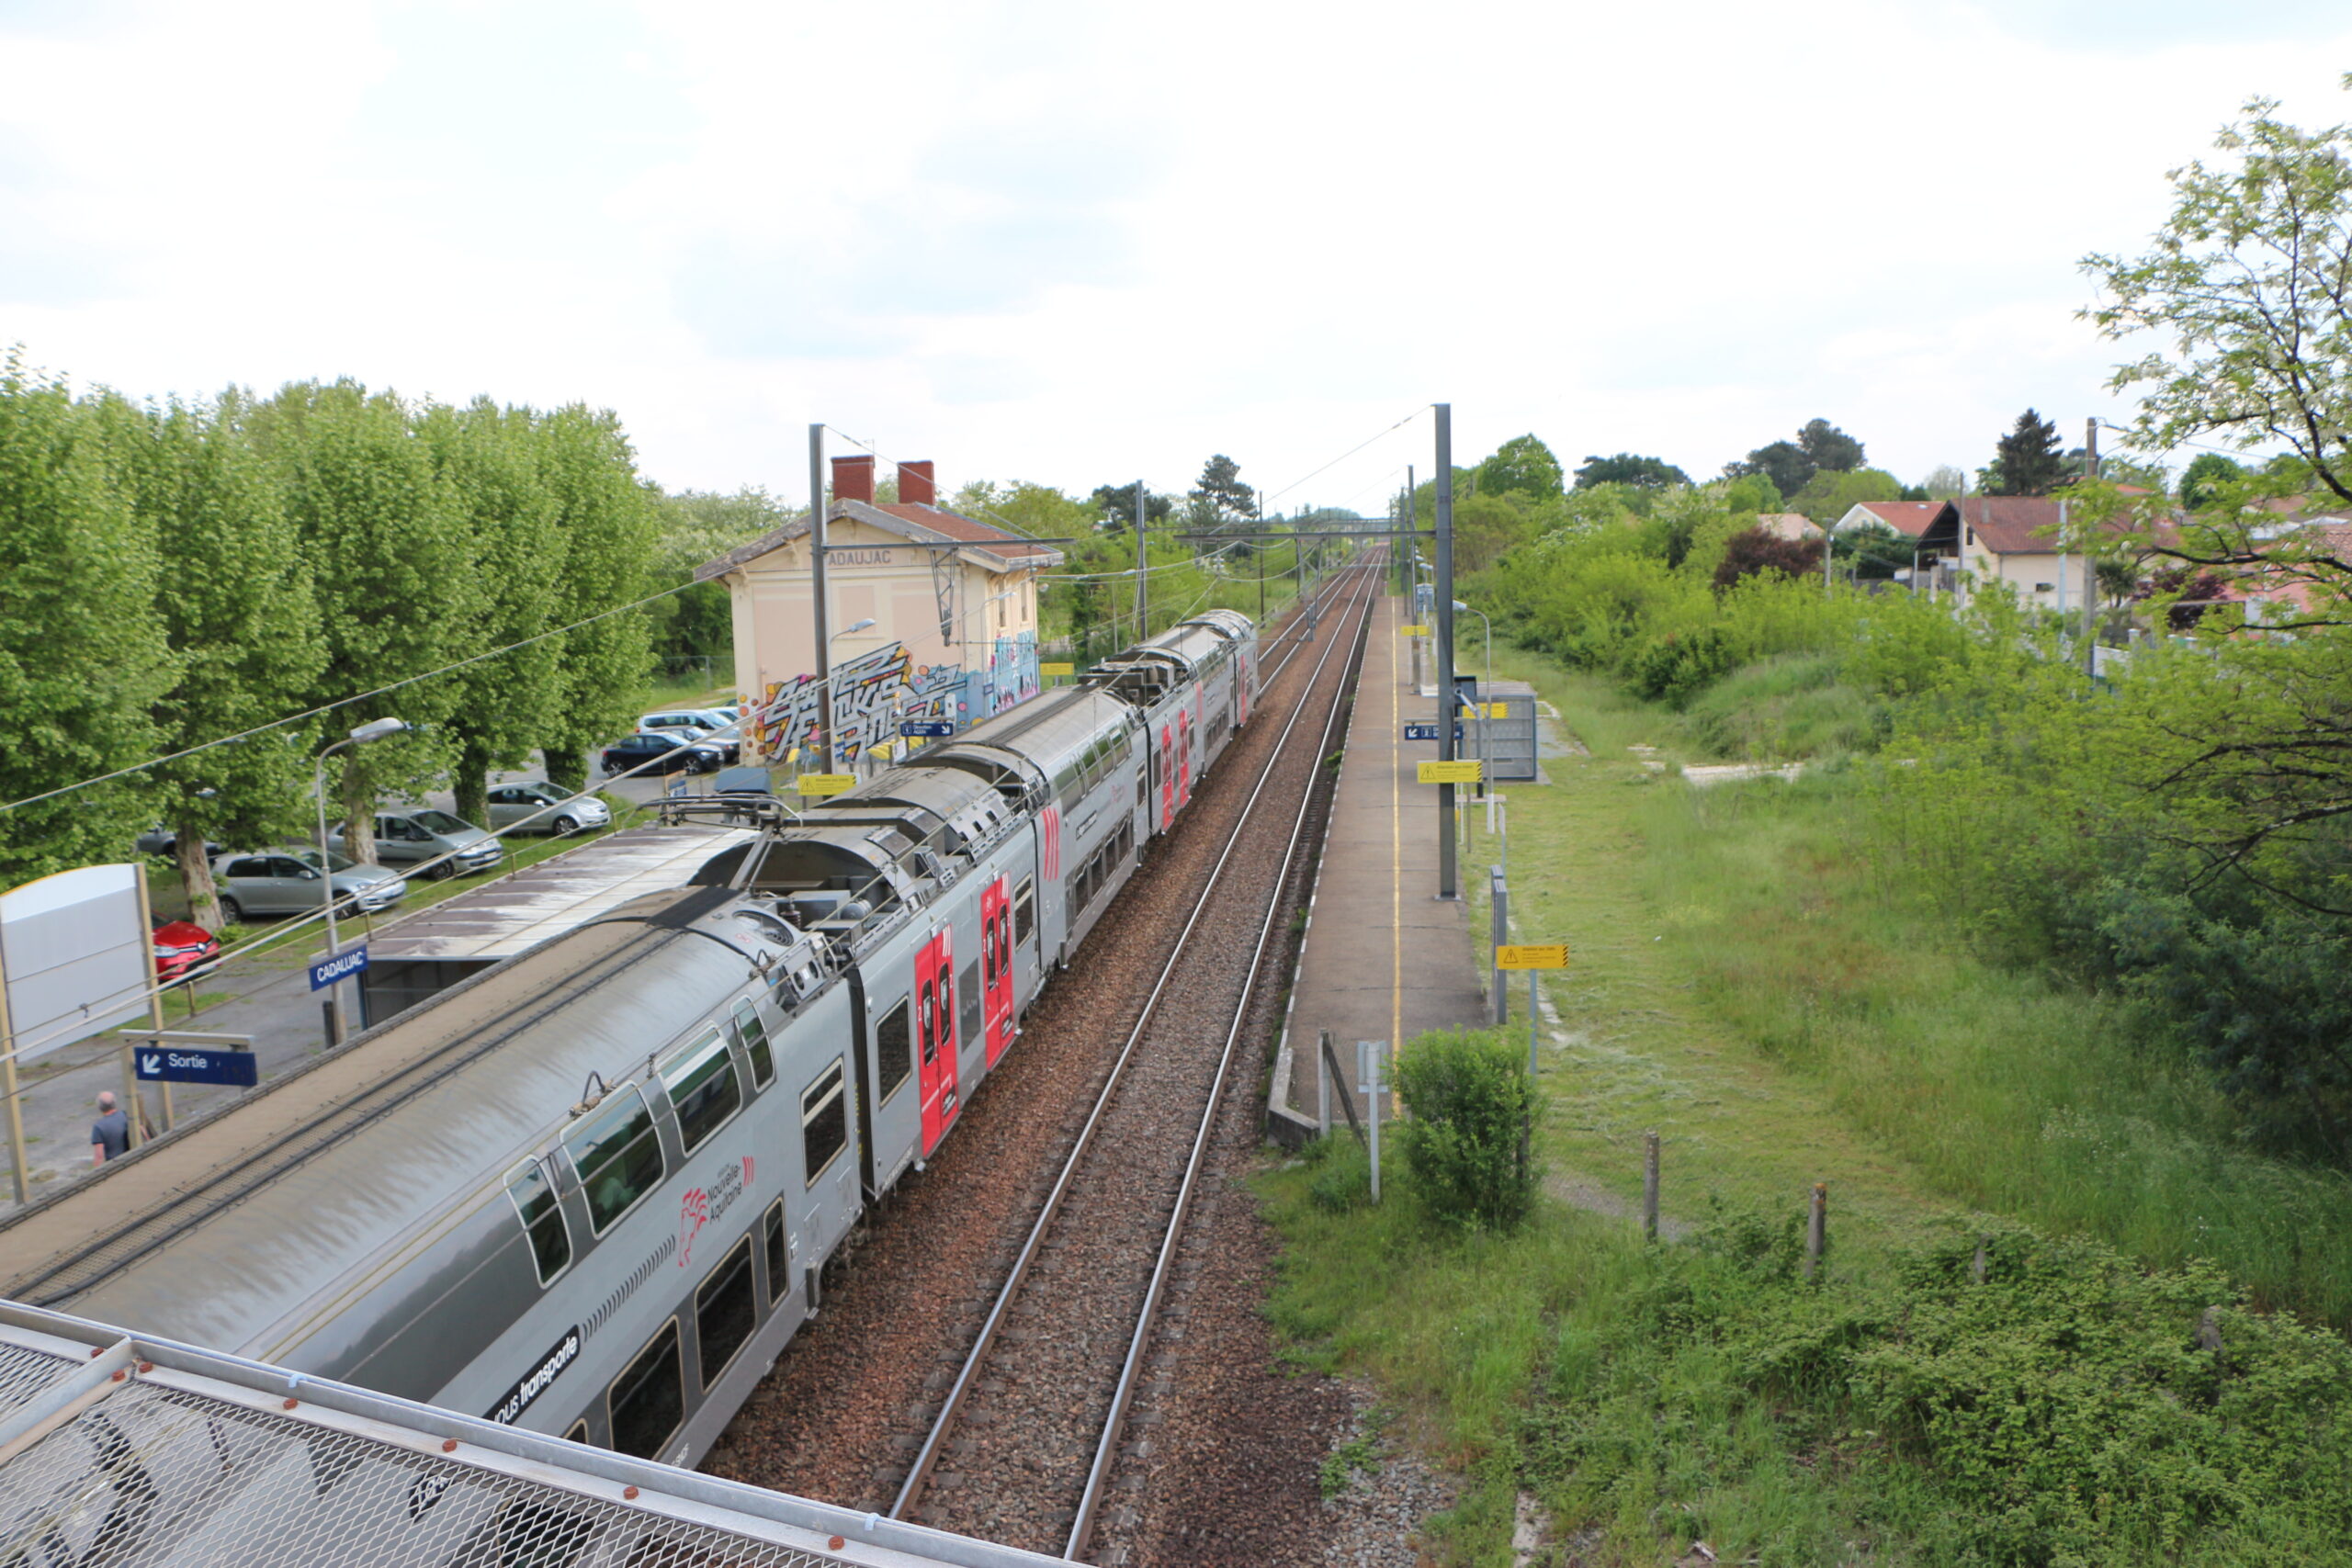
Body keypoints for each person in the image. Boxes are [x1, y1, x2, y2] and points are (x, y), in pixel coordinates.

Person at [90, 1091, 130, 1167]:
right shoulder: (127, 1115)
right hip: (132, 1159)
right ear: (114, 1103)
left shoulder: (99, 1127)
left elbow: (99, 1157)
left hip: (114, 1166)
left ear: (100, 1107)